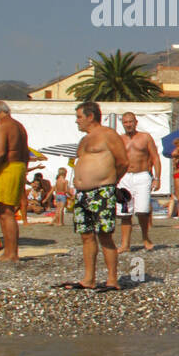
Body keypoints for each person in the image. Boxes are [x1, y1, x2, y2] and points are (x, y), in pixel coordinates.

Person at [62, 101, 129, 291]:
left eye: (79, 117)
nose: (77, 122)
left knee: (105, 235)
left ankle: (112, 279)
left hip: (101, 190)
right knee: (86, 235)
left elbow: (123, 161)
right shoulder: (84, 140)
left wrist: (110, 183)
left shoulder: (108, 135)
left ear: (90, 116)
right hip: (81, 193)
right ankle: (88, 278)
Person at [0, 101, 30, 263]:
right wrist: (24, 171)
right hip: (18, 167)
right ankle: (9, 251)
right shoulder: (19, 126)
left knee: (6, 211)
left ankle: (11, 253)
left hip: (8, 167)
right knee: (1, 209)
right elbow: (26, 153)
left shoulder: (2, 125)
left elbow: (0, 152)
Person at [118, 111, 161, 252]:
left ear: (136, 122)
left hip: (142, 175)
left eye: (130, 121)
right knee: (125, 212)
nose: (128, 124)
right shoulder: (119, 139)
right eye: (125, 122)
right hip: (125, 177)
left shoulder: (145, 137)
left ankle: (145, 238)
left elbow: (155, 158)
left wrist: (157, 178)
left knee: (142, 211)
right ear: (122, 123)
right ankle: (125, 244)